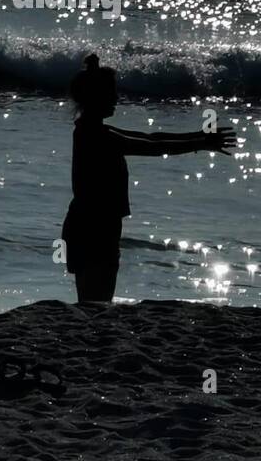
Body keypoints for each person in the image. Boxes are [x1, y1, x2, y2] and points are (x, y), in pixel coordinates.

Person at [62, 54, 236, 302]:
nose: (116, 99)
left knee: (94, 302)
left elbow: (152, 137)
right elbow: (153, 147)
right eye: (111, 93)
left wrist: (200, 137)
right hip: (93, 227)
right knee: (96, 302)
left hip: (92, 225)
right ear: (96, 97)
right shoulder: (97, 136)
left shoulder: (94, 130)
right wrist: (201, 142)